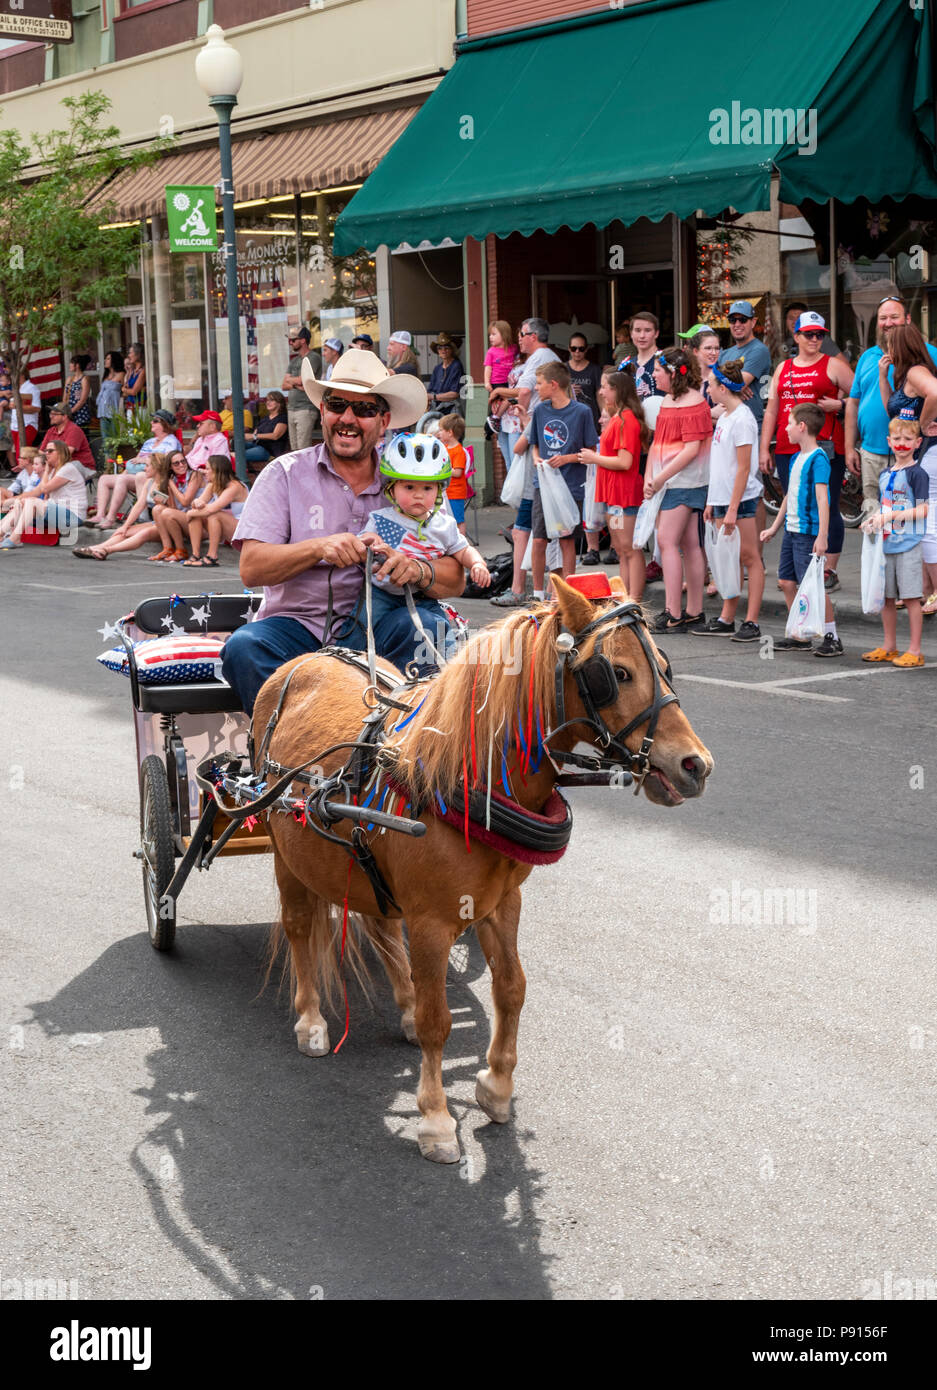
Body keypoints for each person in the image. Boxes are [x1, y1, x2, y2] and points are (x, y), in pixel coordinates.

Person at [219, 348, 466, 716]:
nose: (347, 418)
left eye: (364, 410)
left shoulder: (415, 478)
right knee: (245, 647)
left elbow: (456, 577)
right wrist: (317, 548)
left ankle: (415, 756)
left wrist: (418, 571)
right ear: (323, 411)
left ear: (384, 421)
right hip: (298, 628)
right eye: (337, 405)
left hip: (386, 626)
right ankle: (283, 756)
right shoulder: (283, 474)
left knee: (432, 629)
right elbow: (252, 568)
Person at [357, 433, 489, 664]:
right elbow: (366, 540)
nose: (418, 494)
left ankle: (445, 676)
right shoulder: (382, 519)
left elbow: (462, 549)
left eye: (427, 488)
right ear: (391, 488)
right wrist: (368, 540)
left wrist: (477, 563)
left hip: (425, 596)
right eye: (409, 487)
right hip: (382, 596)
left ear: (439, 492)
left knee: (441, 636)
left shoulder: (443, 525)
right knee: (360, 630)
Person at [761, 312, 853, 592]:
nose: (815, 339)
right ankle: (798, 565)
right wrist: (764, 447)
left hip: (824, 448)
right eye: (809, 334)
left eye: (820, 335)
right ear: (797, 337)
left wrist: (840, 406)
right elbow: (772, 410)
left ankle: (829, 568)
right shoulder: (783, 368)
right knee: (795, 507)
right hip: (788, 448)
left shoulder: (834, 365)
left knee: (827, 504)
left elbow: (861, 397)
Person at [759, 402, 841, 657]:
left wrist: (822, 535)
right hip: (792, 530)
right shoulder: (796, 457)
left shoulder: (819, 460)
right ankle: (800, 632)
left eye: (790, 424)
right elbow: (788, 496)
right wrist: (774, 526)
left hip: (808, 532)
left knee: (813, 585)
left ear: (802, 427)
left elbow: (822, 499)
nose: (785, 429)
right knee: (785, 581)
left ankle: (831, 636)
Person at [845, 297, 937, 516]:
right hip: (872, 452)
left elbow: (934, 392)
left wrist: (924, 425)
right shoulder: (869, 357)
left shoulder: (922, 361)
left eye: (894, 317)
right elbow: (858, 403)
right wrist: (850, 447)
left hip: (911, 455)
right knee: (876, 515)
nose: (888, 323)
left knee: (905, 518)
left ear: (907, 320)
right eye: (883, 318)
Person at [643, 346, 712, 632]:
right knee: (688, 545)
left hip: (682, 482)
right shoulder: (672, 400)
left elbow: (691, 450)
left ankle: (673, 611)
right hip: (673, 481)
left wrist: (659, 479)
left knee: (667, 542)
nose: (654, 374)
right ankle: (693, 611)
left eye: (658, 370)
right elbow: (658, 443)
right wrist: (651, 476)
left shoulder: (692, 403)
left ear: (673, 373)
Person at [695, 358, 765, 641]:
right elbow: (720, 464)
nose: (708, 389)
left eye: (710, 385)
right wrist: (713, 501)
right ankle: (727, 616)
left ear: (723, 388)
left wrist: (733, 508)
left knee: (749, 557)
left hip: (742, 499)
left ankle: (752, 620)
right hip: (724, 498)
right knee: (729, 558)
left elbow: (744, 467)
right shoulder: (725, 417)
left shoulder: (743, 420)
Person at [860, 416, 929, 667]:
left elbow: (922, 510)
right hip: (886, 545)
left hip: (908, 544)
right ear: (889, 442)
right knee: (886, 598)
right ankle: (889, 645)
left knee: (911, 597)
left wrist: (891, 516)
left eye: (907, 439)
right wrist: (873, 520)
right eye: (897, 439)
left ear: (917, 443)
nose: (902, 443)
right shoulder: (885, 474)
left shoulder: (917, 474)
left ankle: (915, 649)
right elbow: (883, 506)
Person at [528, 361, 597, 596]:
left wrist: (567, 459)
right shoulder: (540, 411)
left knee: (567, 539)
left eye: (539, 383)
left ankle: (566, 593)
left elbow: (590, 452)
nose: (536, 388)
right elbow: (534, 445)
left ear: (553, 385)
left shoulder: (582, 412)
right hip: (544, 485)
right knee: (539, 539)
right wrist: (537, 459)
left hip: (570, 485)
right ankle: (538, 593)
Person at [579, 369, 648, 598]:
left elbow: (625, 461)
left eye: (605, 387)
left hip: (623, 492)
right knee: (621, 549)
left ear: (617, 390)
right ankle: (624, 595)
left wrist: (594, 458)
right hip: (614, 492)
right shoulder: (619, 418)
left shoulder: (626, 420)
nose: (601, 391)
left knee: (629, 548)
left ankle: (634, 598)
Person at [489, 348, 534, 609]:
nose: (531, 388)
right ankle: (530, 592)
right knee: (526, 535)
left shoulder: (542, 414)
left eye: (537, 384)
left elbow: (520, 449)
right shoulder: (536, 414)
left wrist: (527, 422)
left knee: (534, 539)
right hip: (534, 487)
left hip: (536, 487)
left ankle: (532, 593)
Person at [73, 453, 174, 561]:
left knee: (143, 533)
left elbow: (172, 508)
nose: (145, 469)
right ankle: (95, 548)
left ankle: (107, 550)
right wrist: (125, 525)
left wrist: (159, 499)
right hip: (155, 523)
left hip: (166, 524)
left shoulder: (167, 483)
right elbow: (139, 505)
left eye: (148, 466)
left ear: (156, 467)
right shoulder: (149, 482)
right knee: (123, 532)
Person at [95, 409, 180, 527]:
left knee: (133, 478)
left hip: (157, 480)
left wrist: (145, 460)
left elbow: (167, 462)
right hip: (138, 476)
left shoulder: (171, 442)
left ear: (164, 424)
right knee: (104, 478)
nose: (151, 423)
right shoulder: (149, 442)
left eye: (155, 421)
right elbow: (135, 460)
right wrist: (124, 473)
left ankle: (116, 518)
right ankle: (100, 515)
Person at [0, 438, 88, 548]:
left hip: (72, 515)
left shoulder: (67, 469)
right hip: (55, 512)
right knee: (20, 503)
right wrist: (10, 502)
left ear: (60, 453)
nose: (46, 453)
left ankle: (15, 538)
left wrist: (46, 470)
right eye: (45, 451)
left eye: (50, 451)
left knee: (31, 502)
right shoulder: (53, 471)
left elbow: (45, 489)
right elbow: (36, 492)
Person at [878, 321, 937, 456]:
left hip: (926, 453)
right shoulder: (907, 374)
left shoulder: (915, 372)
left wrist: (923, 426)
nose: (888, 352)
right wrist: (882, 377)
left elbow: (935, 392)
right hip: (916, 454)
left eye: (889, 347)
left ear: (899, 348)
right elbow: (891, 412)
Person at [182, 454, 249, 567]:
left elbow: (211, 510)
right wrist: (196, 503)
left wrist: (190, 512)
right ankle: (195, 554)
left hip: (242, 532)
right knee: (197, 515)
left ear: (217, 470)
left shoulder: (234, 486)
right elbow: (198, 504)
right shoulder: (212, 484)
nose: (204, 471)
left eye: (208, 469)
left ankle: (212, 556)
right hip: (224, 530)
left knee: (214, 515)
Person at [718, 301, 772, 430]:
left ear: (753, 322)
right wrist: (733, 389)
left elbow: (738, 384)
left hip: (750, 424)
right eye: (732, 320)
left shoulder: (759, 350)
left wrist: (731, 386)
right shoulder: (725, 353)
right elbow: (713, 384)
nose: (737, 324)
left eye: (742, 320)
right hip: (726, 423)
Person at [282, 327, 321, 451]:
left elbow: (305, 380)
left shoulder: (313, 357)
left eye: (293, 340)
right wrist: (297, 383)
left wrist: (295, 381)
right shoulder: (294, 361)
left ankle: (306, 471)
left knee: (303, 448)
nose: (291, 343)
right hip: (291, 408)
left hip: (306, 408)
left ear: (303, 340)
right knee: (294, 449)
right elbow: (284, 384)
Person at [39, 402, 96, 477]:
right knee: (38, 465)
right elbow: (41, 451)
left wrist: (48, 459)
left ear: (65, 416)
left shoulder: (74, 429)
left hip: (82, 467)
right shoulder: (51, 431)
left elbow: (66, 454)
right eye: (51, 414)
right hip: (60, 465)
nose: (51, 416)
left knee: (64, 468)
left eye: (55, 414)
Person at [617, 311, 665, 400]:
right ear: (631, 333)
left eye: (647, 330)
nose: (642, 336)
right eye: (637, 330)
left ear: (656, 333)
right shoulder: (626, 365)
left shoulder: (667, 360)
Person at [781, 302, 848, 364]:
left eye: (799, 318)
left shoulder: (820, 339)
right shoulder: (788, 342)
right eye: (791, 318)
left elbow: (844, 363)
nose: (795, 322)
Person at [436, 412, 469, 531]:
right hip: (446, 491)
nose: (439, 433)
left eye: (441, 430)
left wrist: (444, 469)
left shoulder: (458, 451)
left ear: (450, 432)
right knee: (447, 519)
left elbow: (457, 472)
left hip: (455, 493)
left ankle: (462, 543)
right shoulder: (444, 448)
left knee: (458, 520)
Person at [245, 391, 290, 471]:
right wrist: (245, 437)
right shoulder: (265, 419)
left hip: (269, 451)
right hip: (258, 445)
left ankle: (233, 456)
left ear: (279, 403)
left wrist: (255, 436)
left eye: (271, 400)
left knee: (240, 454)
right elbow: (254, 434)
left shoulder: (282, 417)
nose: (268, 403)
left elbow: (275, 436)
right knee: (238, 444)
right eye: (267, 400)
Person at [484, 320, 516, 428]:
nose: (490, 337)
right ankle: (495, 417)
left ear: (504, 334)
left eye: (493, 334)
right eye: (490, 335)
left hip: (509, 382)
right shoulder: (491, 351)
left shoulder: (513, 349)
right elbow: (488, 368)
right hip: (497, 382)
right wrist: (487, 382)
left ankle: (495, 419)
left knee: (508, 400)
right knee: (508, 399)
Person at [686, 327, 722, 414]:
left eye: (717, 348)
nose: (713, 353)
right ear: (695, 351)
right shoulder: (686, 378)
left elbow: (725, 414)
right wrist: (711, 413)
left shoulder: (724, 377)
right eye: (708, 348)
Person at [427, 333, 463, 411]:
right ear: (437, 351)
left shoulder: (456, 366)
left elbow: (454, 394)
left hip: (451, 408)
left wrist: (434, 397)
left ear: (452, 349)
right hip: (436, 408)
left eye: (447, 347)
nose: (443, 350)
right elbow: (429, 391)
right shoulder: (437, 369)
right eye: (440, 348)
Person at [9, 369, 39, 460]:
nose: (10, 377)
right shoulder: (16, 388)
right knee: (19, 455)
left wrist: (18, 406)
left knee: (23, 455)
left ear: (21, 375)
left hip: (27, 424)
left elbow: (37, 408)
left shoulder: (32, 388)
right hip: (14, 425)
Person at [0, 445, 42, 509]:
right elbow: (12, 489)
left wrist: (6, 501)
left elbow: (27, 494)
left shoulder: (36, 474)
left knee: (5, 501)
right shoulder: (23, 472)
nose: (18, 459)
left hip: (32, 500)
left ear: (27, 460)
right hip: (23, 497)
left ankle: (4, 512)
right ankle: (4, 512)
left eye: (20, 457)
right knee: (1, 490)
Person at [96, 351, 125, 439]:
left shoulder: (121, 374)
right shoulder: (106, 375)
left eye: (108, 359)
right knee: (105, 439)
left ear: (114, 360)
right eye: (106, 359)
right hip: (103, 411)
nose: (105, 360)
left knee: (114, 438)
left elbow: (124, 391)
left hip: (114, 410)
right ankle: (106, 453)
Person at [64, 355, 93, 431]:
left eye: (71, 363)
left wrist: (72, 411)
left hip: (80, 414)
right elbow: (65, 397)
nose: (69, 365)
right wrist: (65, 410)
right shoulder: (69, 379)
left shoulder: (84, 380)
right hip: (69, 414)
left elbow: (82, 400)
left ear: (77, 365)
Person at [121, 343, 146, 413]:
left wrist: (123, 389)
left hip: (140, 409)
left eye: (130, 353)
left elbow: (133, 392)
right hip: (130, 408)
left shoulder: (143, 371)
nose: (129, 356)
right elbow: (125, 393)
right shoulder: (133, 371)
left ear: (138, 354)